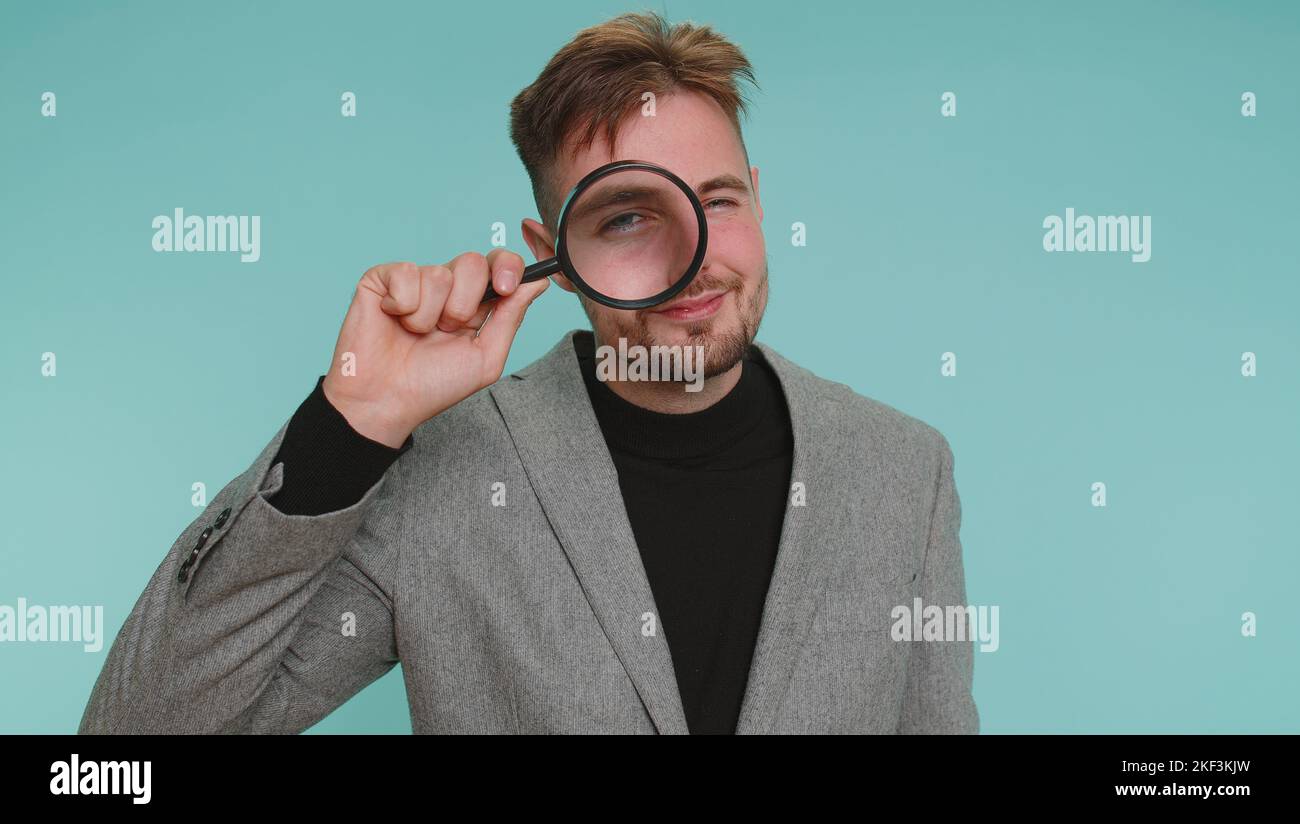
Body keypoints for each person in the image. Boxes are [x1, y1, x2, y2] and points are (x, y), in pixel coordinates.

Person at [79, 10, 978, 735]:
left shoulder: (905, 470)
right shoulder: (445, 471)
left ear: (757, 197)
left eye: (716, 202)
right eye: (628, 217)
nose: (693, 258)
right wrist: (348, 427)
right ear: (554, 255)